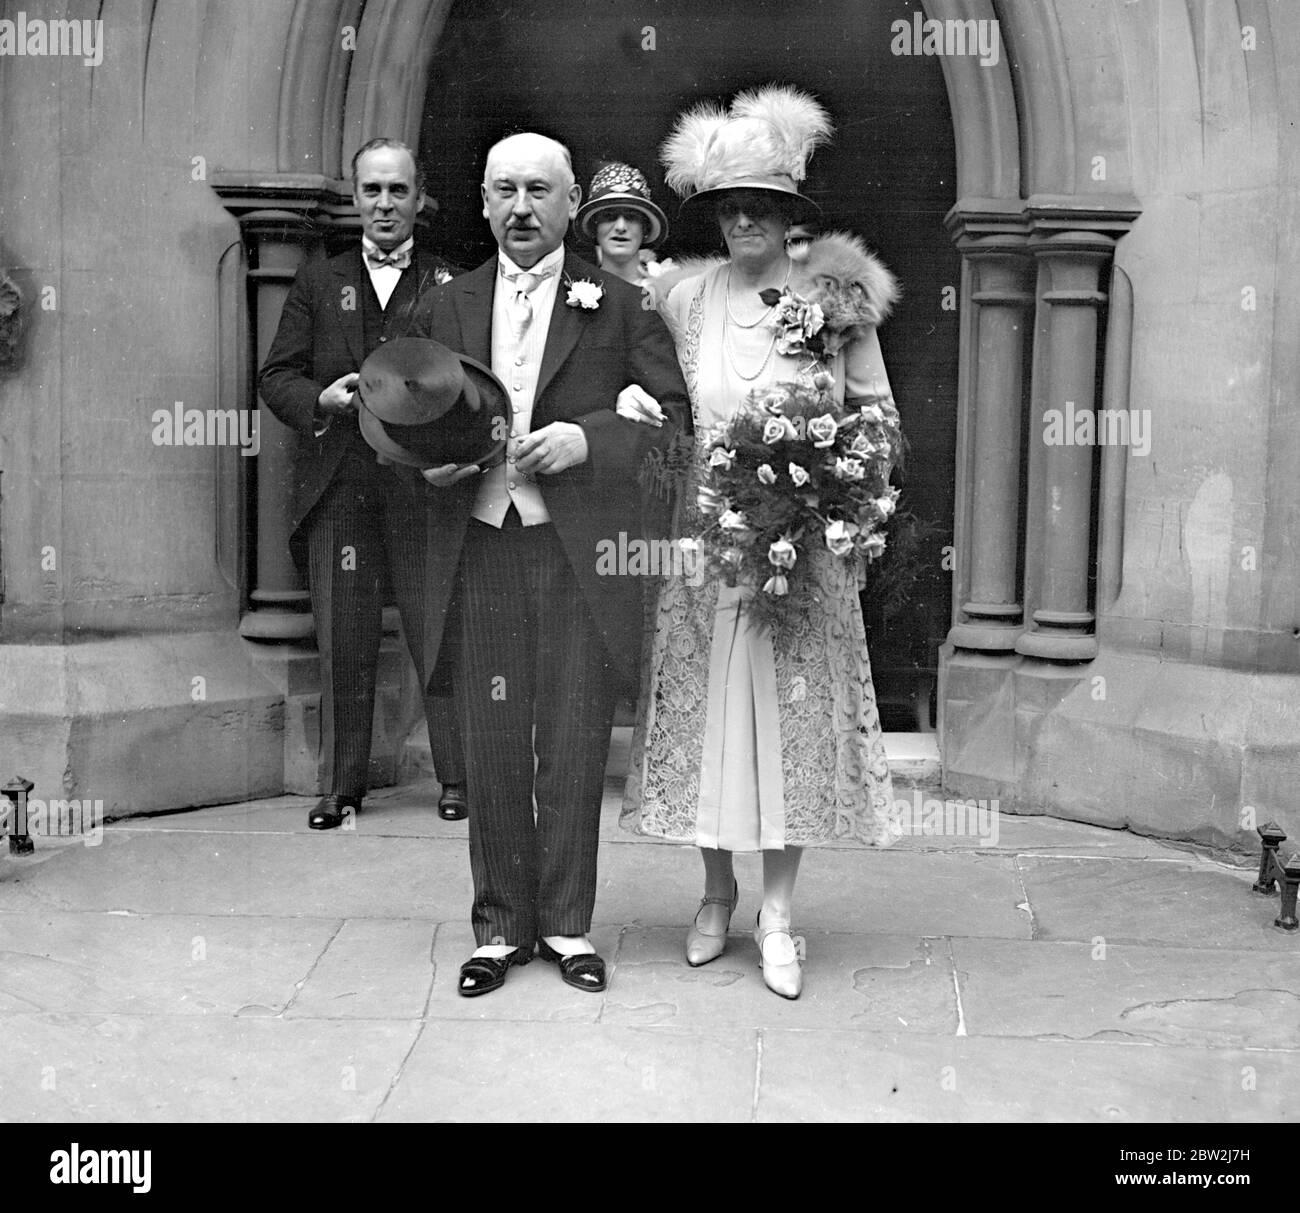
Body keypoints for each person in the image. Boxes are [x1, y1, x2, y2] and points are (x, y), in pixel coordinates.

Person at [620, 87, 902, 999]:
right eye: (729, 205)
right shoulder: (685, 295)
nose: (745, 217)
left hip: (802, 556)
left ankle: (777, 913)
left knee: (791, 729)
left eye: (763, 204)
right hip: (706, 548)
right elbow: (627, 357)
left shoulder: (830, 297)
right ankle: (714, 894)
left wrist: (847, 490)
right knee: (709, 724)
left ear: (789, 215)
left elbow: (880, 418)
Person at [409, 133, 691, 997]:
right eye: (504, 191)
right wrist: (427, 462)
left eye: (539, 190)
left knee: (571, 737)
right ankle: (499, 927)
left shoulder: (621, 303)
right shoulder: (444, 303)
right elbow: (400, 411)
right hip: (481, 545)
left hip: (577, 558)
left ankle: (568, 924)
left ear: (573, 205)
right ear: (484, 202)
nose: (521, 207)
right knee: (492, 741)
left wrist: (587, 438)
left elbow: (673, 423)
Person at [259, 138, 468, 830]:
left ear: (419, 199)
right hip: (340, 484)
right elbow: (277, 376)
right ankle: (342, 785)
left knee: (437, 629)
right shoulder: (321, 281)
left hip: (424, 490)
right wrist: (322, 399)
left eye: (398, 191)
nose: (385, 204)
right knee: (342, 638)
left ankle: (458, 777)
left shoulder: (448, 284)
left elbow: (475, 382)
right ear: (355, 198)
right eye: (373, 191)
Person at [573, 161, 669, 285]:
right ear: (594, 227)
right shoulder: (575, 291)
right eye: (609, 216)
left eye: (631, 217)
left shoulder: (671, 291)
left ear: (645, 228)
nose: (620, 227)